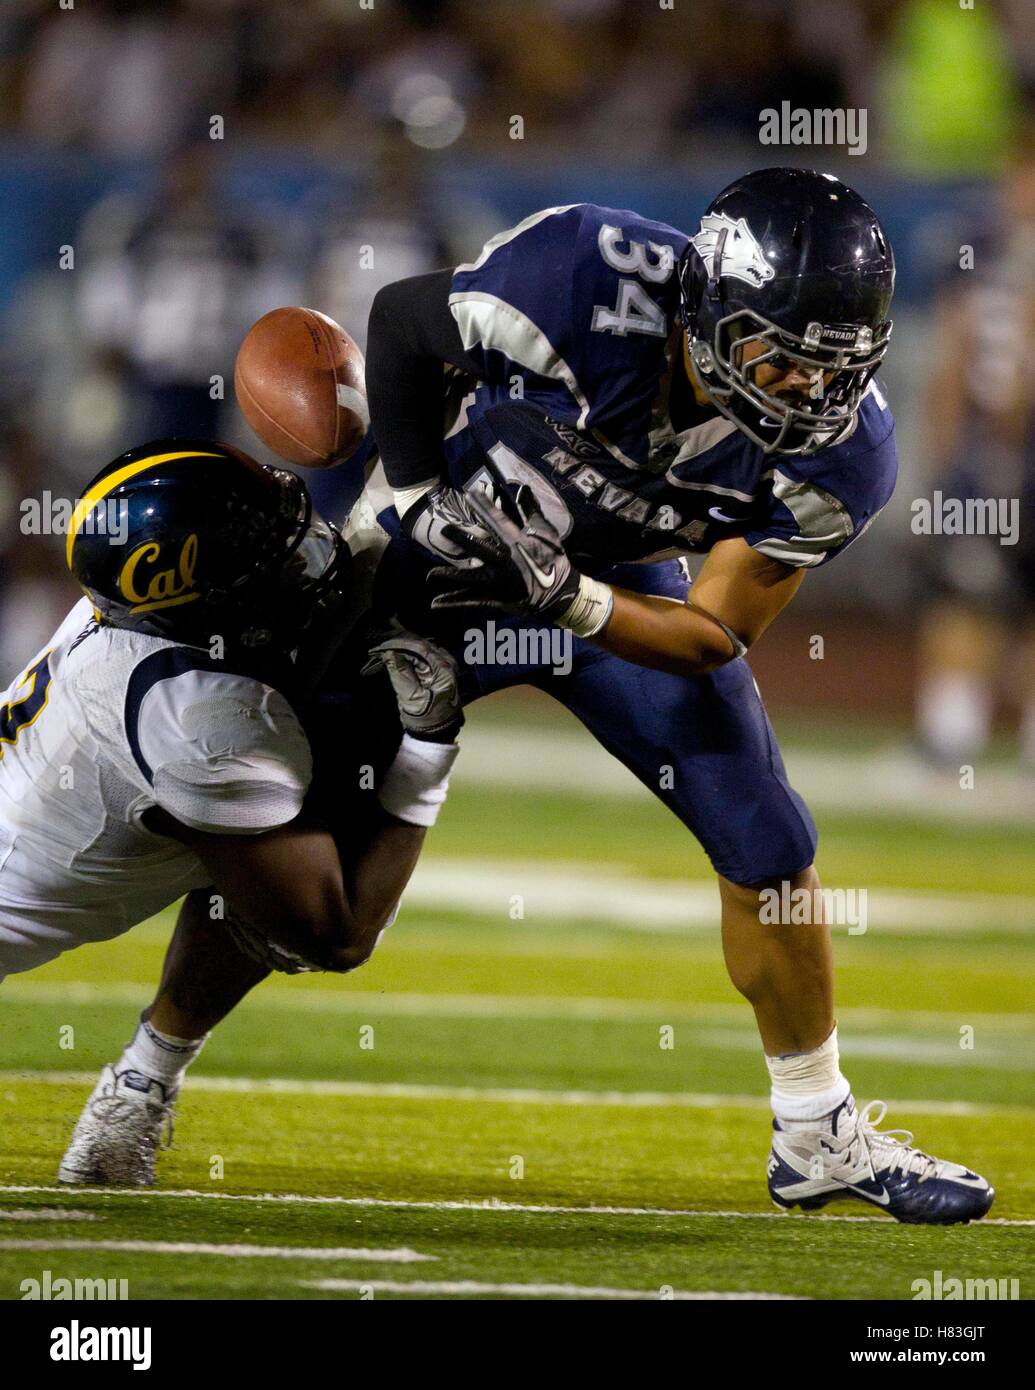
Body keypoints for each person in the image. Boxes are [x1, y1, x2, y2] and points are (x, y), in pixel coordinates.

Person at [344, 167, 993, 1224]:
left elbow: (711, 631)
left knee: (768, 836)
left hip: (614, 592)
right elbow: (402, 321)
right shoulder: (579, 274)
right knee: (274, 800)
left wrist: (566, 596)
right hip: (451, 547)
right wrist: (414, 501)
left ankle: (815, 1132)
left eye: (838, 370)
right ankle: (155, 1060)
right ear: (704, 314)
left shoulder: (844, 452)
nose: (809, 395)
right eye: (783, 359)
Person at [0, 439, 462, 1185]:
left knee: (268, 827)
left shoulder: (139, 608)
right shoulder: (202, 722)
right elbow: (337, 935)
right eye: (276, 556)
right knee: (297, 862)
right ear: (214, 600)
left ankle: (140, 1084)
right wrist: (430, 745)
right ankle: (140, 1088)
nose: (308, 556)